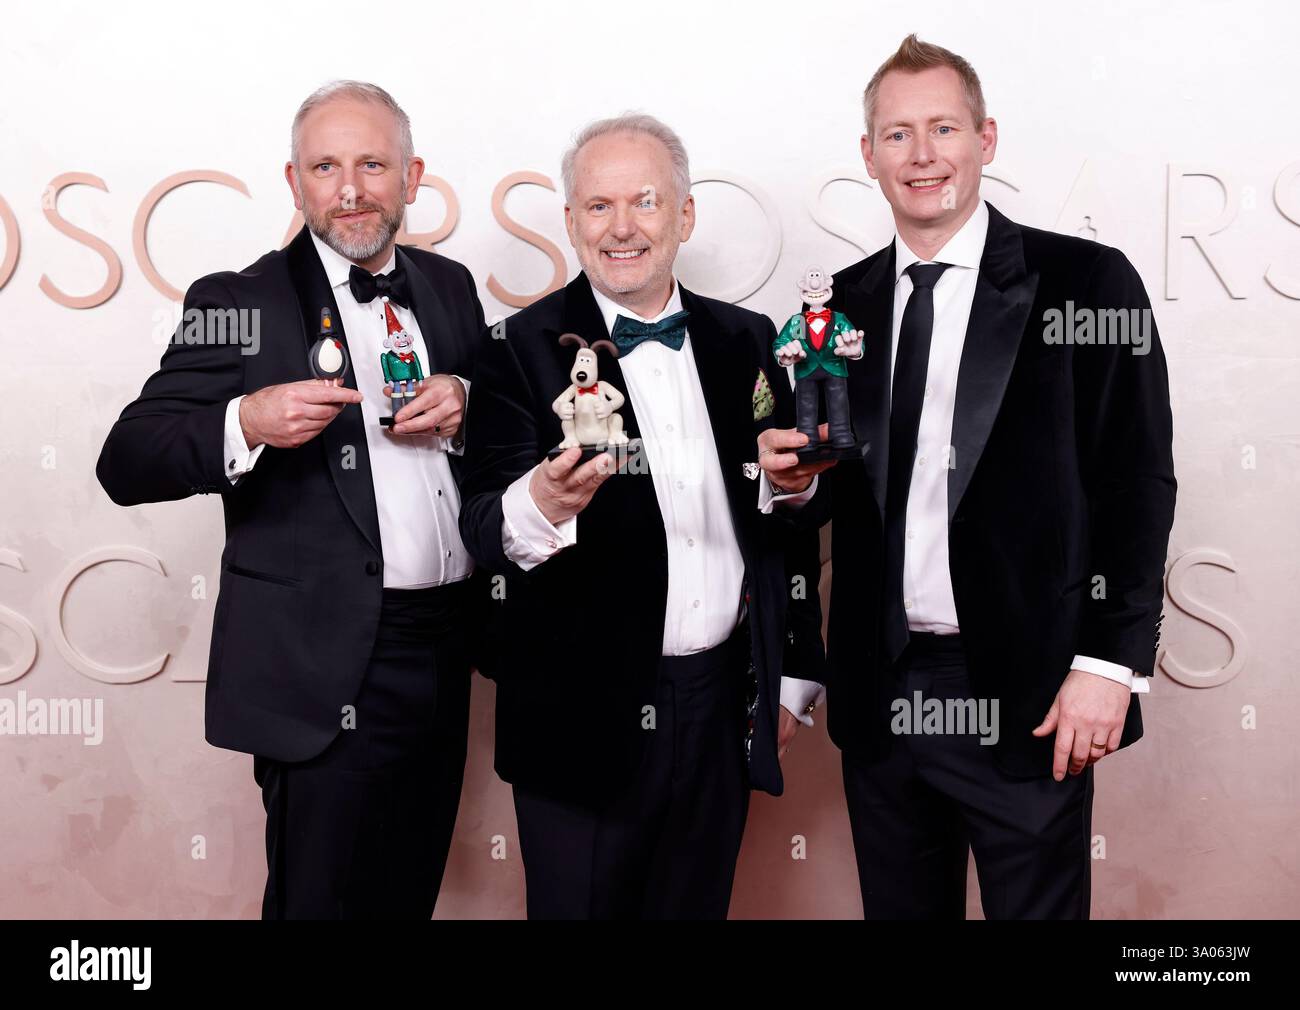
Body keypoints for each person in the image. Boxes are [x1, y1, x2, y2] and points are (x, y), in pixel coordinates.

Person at [760, 35, 1176, 919]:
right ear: (868, 155)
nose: (923, 155)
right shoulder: (834, 306)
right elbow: (823, 487)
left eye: (943, 128)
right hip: (884, 694)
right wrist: (790, 484)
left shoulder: (1087, 283)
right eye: (898, 134)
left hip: (1032, 691)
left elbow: (1136, 481)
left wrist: (1110, 662)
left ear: (986, 139)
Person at [96, 81, 485, 919]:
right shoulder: (234, 302)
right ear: (294, 181)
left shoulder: (450, 288)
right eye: (325, 166)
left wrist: (463, 396)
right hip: (325, 664)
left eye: (372, 164)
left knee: (406, 893)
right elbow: (128, 458)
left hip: (445, 652)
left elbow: (494, 427)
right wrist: (247, 419)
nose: (349, 189)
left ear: (413, 175)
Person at [457, 113, 825, 919]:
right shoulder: (515, 349)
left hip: (723, 704)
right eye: (598, 206)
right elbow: (482, 526)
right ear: (571, 222)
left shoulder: (749, 339)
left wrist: (790, 680)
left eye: (647, 202)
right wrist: (541, 504)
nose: (622, 228)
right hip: (579, 718)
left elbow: (787, 519)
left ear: (684, 216)